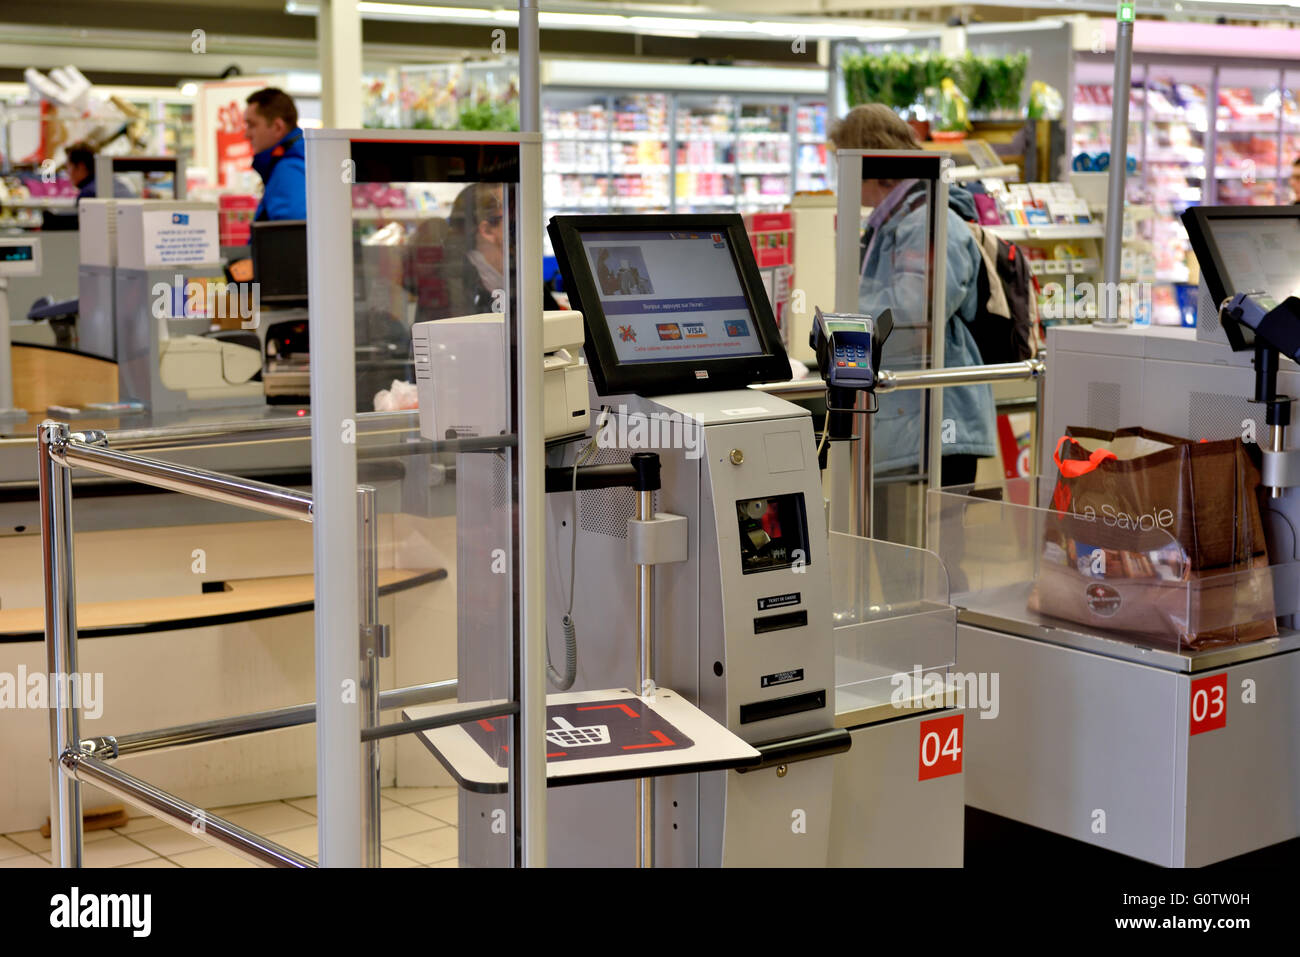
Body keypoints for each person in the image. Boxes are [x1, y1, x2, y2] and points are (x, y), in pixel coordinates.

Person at [828, 104, 996, 494]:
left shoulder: (928, 222)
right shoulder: (900, 219)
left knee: (932, 533)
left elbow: (912, 315)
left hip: (934, 427)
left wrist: (847, 320)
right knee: (895, 533)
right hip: (908, 420)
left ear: (868, 164)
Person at [244, 87, 306, 221]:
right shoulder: (300, 159)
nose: (246, 134)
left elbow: (291, 230)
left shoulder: (288, 169)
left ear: (278, 127)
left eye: (252, 125)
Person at [64, 141, 134, 202]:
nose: (67, 172)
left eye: (68, 167)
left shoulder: (88, 195)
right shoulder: (114, 182)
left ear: (81, 166)